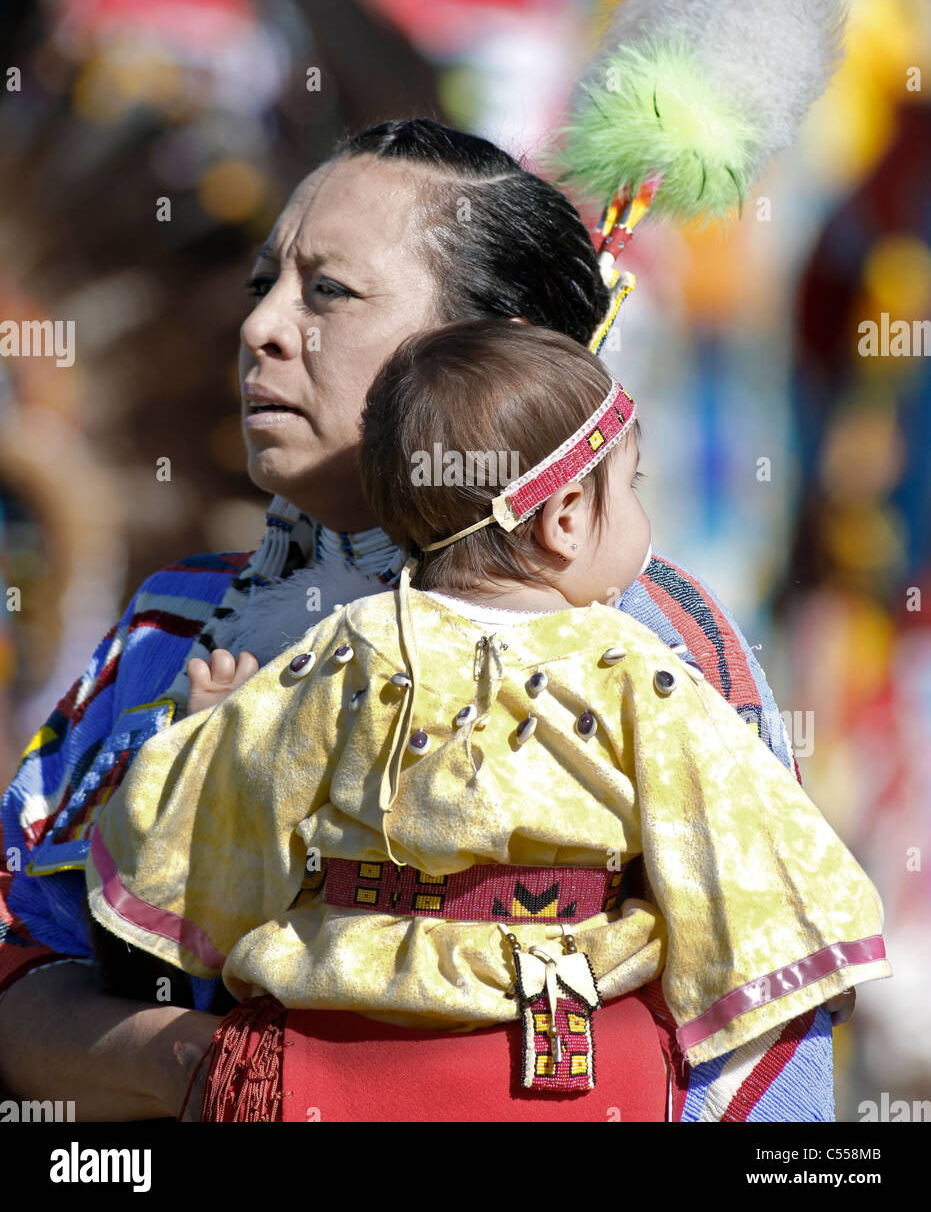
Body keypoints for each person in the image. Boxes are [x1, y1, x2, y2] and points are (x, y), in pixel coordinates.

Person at [0, 118, 847, 1122]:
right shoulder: (173, 632)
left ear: (483, 344)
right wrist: (209, 1068)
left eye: (328, 291)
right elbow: (21, 968)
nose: (262, 326)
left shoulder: (649, 644)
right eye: (262, 284)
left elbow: (768, 1033)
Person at [85, 321, 889, 1115]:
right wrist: (804, 957)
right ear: (565, 516)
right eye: (631, 488)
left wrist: (201, 730)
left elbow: (221, 802)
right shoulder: (629, 663)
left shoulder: (348, 647)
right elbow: (730, 825)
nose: (641, 520)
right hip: (571, 1060)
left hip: (336, 1055)